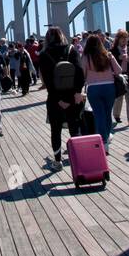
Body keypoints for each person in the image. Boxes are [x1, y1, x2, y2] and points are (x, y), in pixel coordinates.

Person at [38, 26, 86, 170]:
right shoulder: (72, 50)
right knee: (74, 127)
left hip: (54, 99)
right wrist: (77, 92)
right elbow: (79, 73)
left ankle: (57, 161)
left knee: (56, 130)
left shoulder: (44, 54)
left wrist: (58, 99)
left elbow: (47, 80)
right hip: (73, 96)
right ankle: (78, 158)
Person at [81, 34, 121, 154]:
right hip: (109, 87)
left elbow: (82, 74)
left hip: (93, 89)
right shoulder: (108, 55)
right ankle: (107, 137)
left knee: (98, 115)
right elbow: (119, 70)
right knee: (107, 114)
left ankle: (103, 141)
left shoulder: (86, 57)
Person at [111, 28, 129, 126]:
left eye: (126, 38)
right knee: (119, 97)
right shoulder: (113, 49)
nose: (124, 40)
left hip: (128, 75)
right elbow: (111, 63)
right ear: (118, 38)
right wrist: (119, 58)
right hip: (118, 76)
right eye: (122, 38)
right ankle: (116, 115)